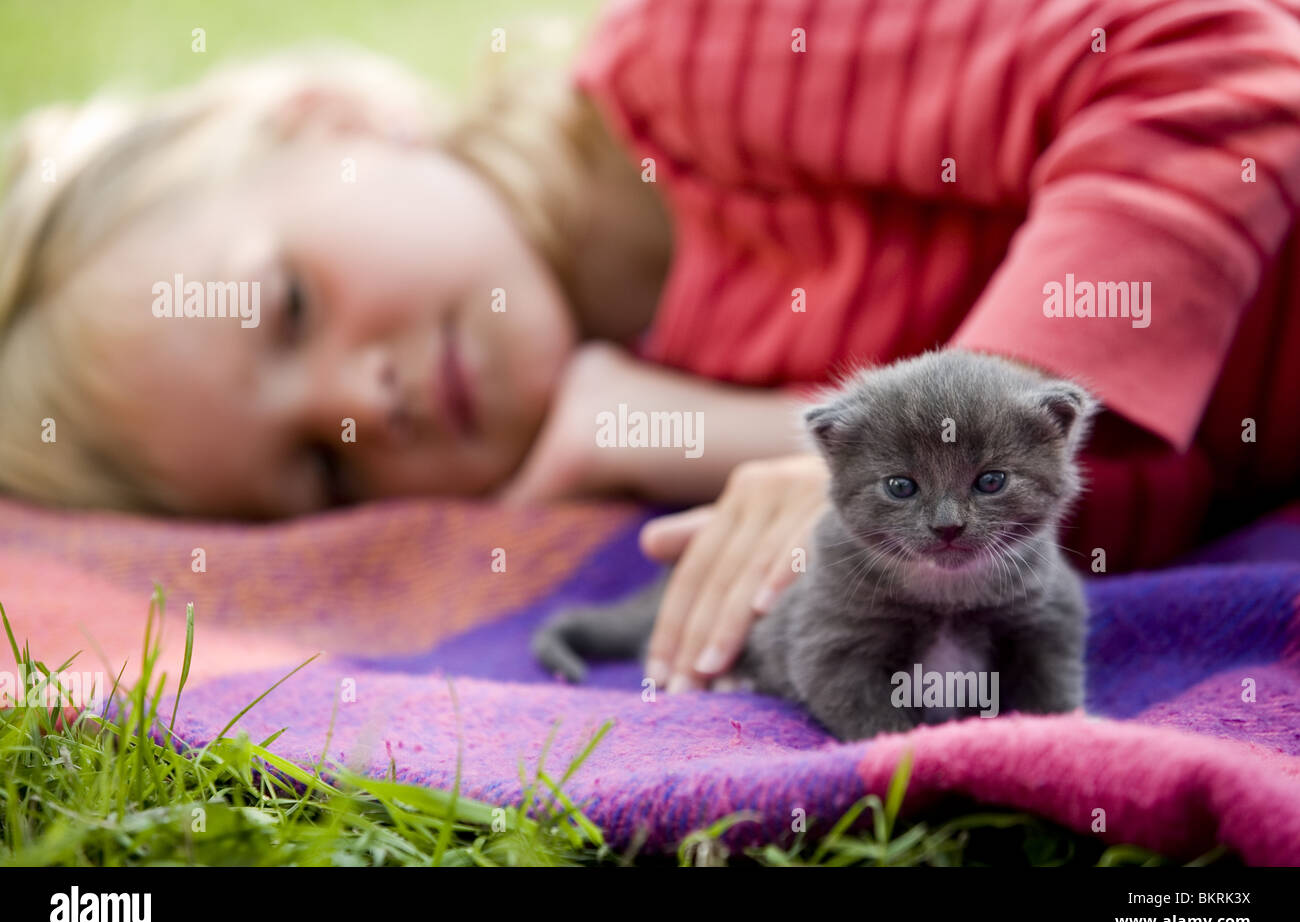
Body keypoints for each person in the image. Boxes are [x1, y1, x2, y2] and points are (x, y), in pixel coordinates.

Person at [2, 0, 1299, 694]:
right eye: (319, 474)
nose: (360, 404)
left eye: (287, 308)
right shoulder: (639, 431)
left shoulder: (710, 52)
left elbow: (1216, 57)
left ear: (328, 120)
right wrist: (694, 432)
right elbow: (1147, 489)